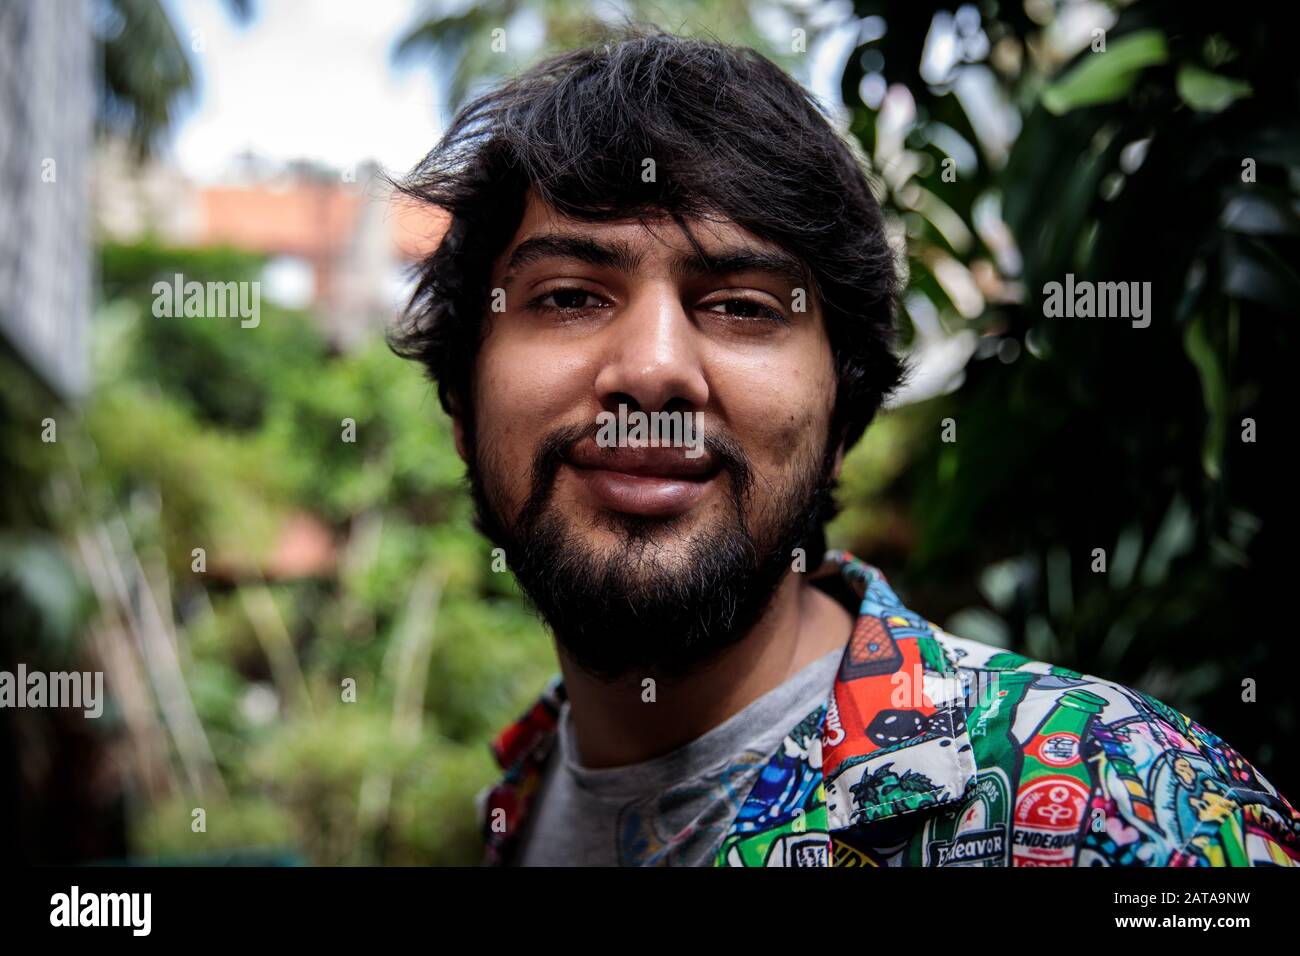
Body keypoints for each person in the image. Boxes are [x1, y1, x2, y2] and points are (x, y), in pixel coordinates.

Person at [390, 27, 1300, 867]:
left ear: (841, 417)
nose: (655, 369)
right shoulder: (524, 793)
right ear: (463, 405)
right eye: (568, 296)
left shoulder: (1129, 810)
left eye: (742, 306)